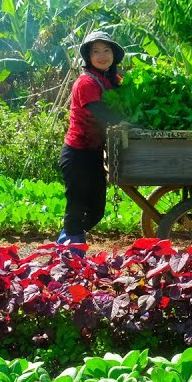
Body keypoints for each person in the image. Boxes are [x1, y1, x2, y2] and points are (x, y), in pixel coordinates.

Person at [57, 30, 124, 245]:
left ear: (113, 55)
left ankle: (65, 243)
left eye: (106, 50)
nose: (102, 55)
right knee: (76, 208)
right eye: (96, 51)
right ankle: (71, 255)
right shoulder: (85, 83)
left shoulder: (114, 81)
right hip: (76, 155)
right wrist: (128, 123)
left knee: (96, 211)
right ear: (88, 57)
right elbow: (100, 113)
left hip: (94, 154)